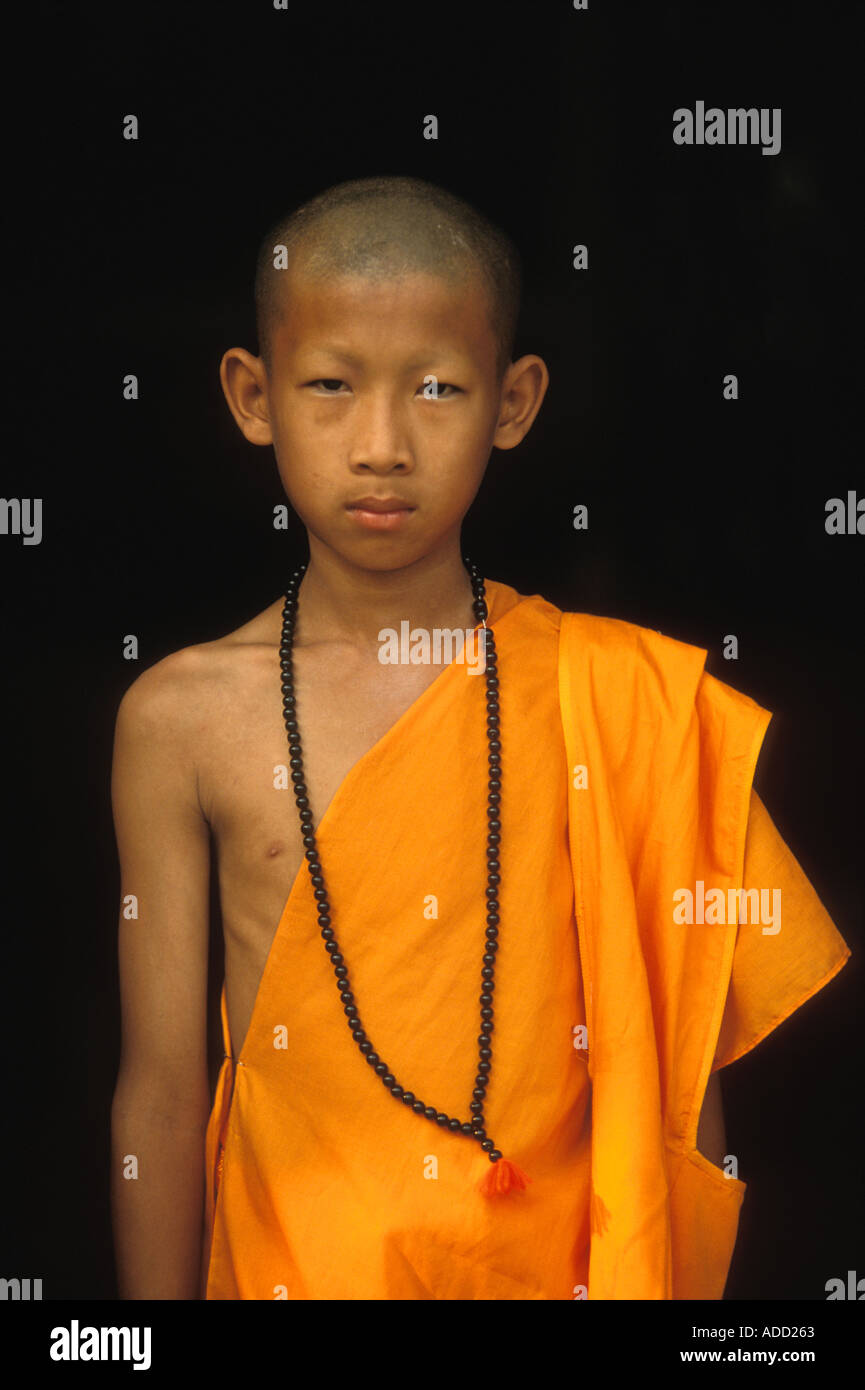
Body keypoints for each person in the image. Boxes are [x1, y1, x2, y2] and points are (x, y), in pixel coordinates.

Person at [110, 176, 850, 1300]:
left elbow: (676, 1064)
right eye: (329, 385)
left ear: (513, 403)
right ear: (252, 396)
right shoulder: (184, 717)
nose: (381, 444)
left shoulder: (619, 695)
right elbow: (160, 1091)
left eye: (439, 388)